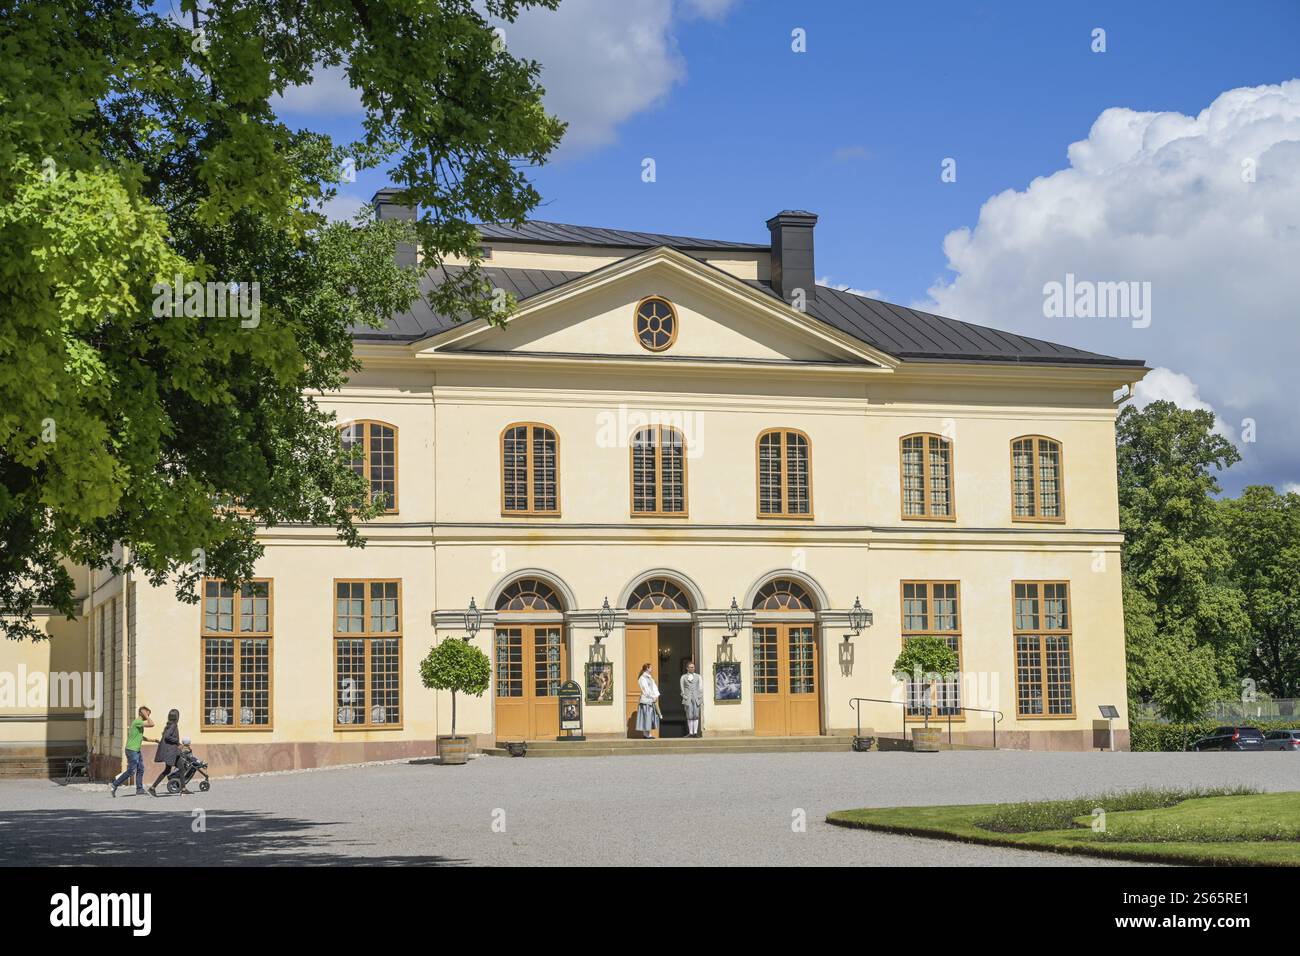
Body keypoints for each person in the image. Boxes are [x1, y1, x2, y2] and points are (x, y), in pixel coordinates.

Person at [109, 706, 156, 797]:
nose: (148, 715)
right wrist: (145, 715)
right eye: (147, 713)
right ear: (142, 713)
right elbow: (152, 724)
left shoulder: (138, 723)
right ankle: (115, 784)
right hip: (132, 750)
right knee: (131, 771)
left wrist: (153, 740)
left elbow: (140, 737)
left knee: (141, 769)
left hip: (136, 750)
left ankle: (139, 789)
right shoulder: (137, 722)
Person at [147, 709, 182, 796]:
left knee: (172, 769)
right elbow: (167, 737)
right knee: (177, 769)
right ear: (177, 717)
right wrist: (177, 741)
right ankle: (152, 788)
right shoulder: (173, 725)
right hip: (171, 752)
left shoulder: (169, 725)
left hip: (172, 751)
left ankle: (152, 788)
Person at [635, 663, 660, 739]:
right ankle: (646, 734)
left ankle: (647, 734)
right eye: (650, 668)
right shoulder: (642, 678)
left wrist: (656, 696)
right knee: (646, 717)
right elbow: (645, 690)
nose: (652, 669)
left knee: (649, 717)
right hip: (646, 700)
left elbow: (654, 688)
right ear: (647, 669)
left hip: (651, 700)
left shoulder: (650, 678)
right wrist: (652, 697)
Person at [680, 660, 703, 738]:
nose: (692, 668)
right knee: (689, 715)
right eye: (690, 667)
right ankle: (690, 732)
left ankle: (695, 732)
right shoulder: (683, 677)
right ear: (687, 668)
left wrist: (700, 696)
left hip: (696, 697)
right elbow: (682, 687)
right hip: (688, 697)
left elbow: (700, 687)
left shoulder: (698, 676)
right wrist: (684, 695)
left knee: (696, 715)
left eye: (693, 667)